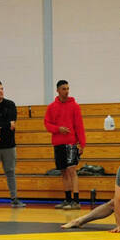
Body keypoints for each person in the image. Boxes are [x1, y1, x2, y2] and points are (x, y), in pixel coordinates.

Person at [43, 79, 86, 209]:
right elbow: (47, 124)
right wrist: (58, 129)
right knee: (63, 172)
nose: (66, 91)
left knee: (72, 170)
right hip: (58, 143)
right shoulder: (51, 107)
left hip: (71, 143)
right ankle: (68, 199)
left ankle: (76, 201)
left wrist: (82, 144)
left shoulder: (74, 106)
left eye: (67, 89)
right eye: (64, 89)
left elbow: (79, 126)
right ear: (57, 90)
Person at [0, 80, 23, 208]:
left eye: (2, 88)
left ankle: (14, 199)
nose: (1, 91)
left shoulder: (10, 104)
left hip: (9, 145)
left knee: (10, 172)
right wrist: (5, 125)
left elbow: (12, 124)